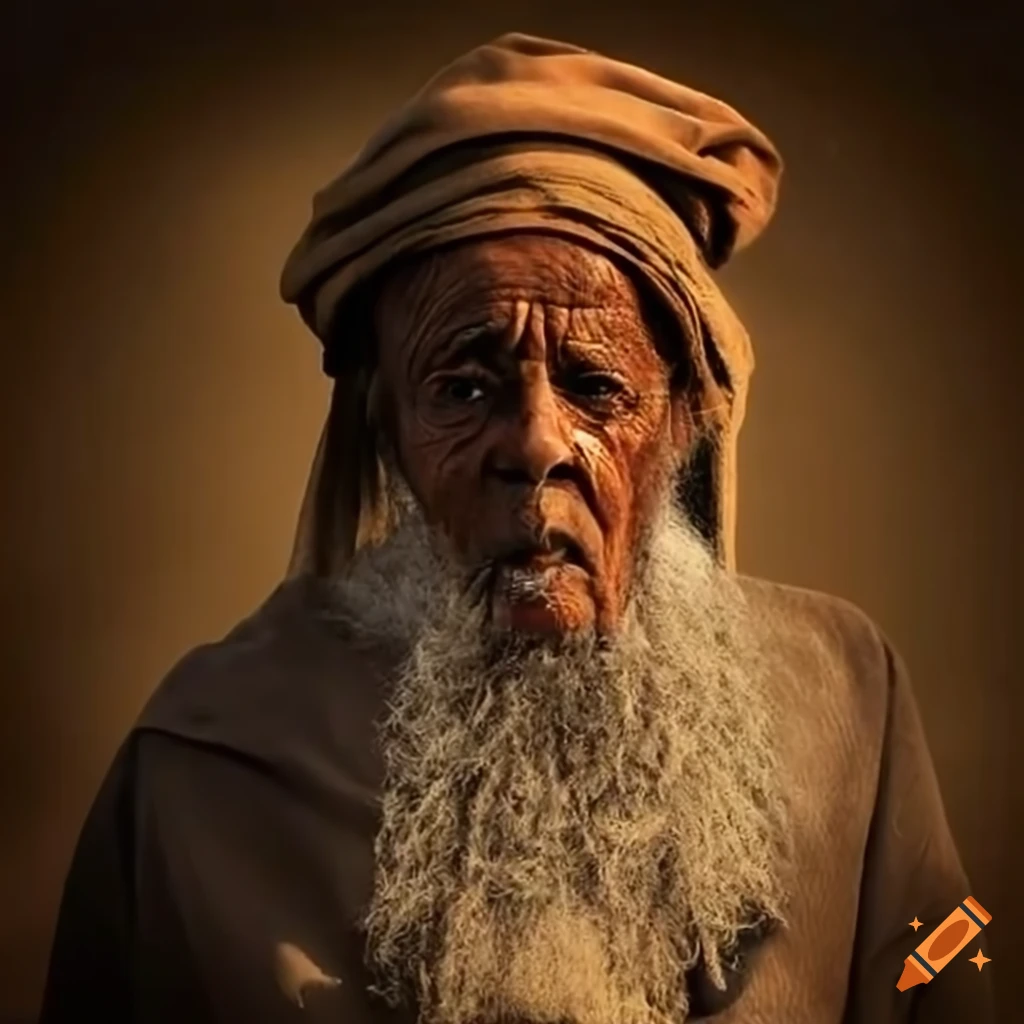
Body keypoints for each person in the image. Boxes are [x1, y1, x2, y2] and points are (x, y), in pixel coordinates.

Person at [39, 33, 992, 1024]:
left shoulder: (844, 696)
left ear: (678, 423)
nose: (536, 443)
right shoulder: (205, 761)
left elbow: (938, 974)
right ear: (389, 432)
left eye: (594, 386)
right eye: (462, 386)